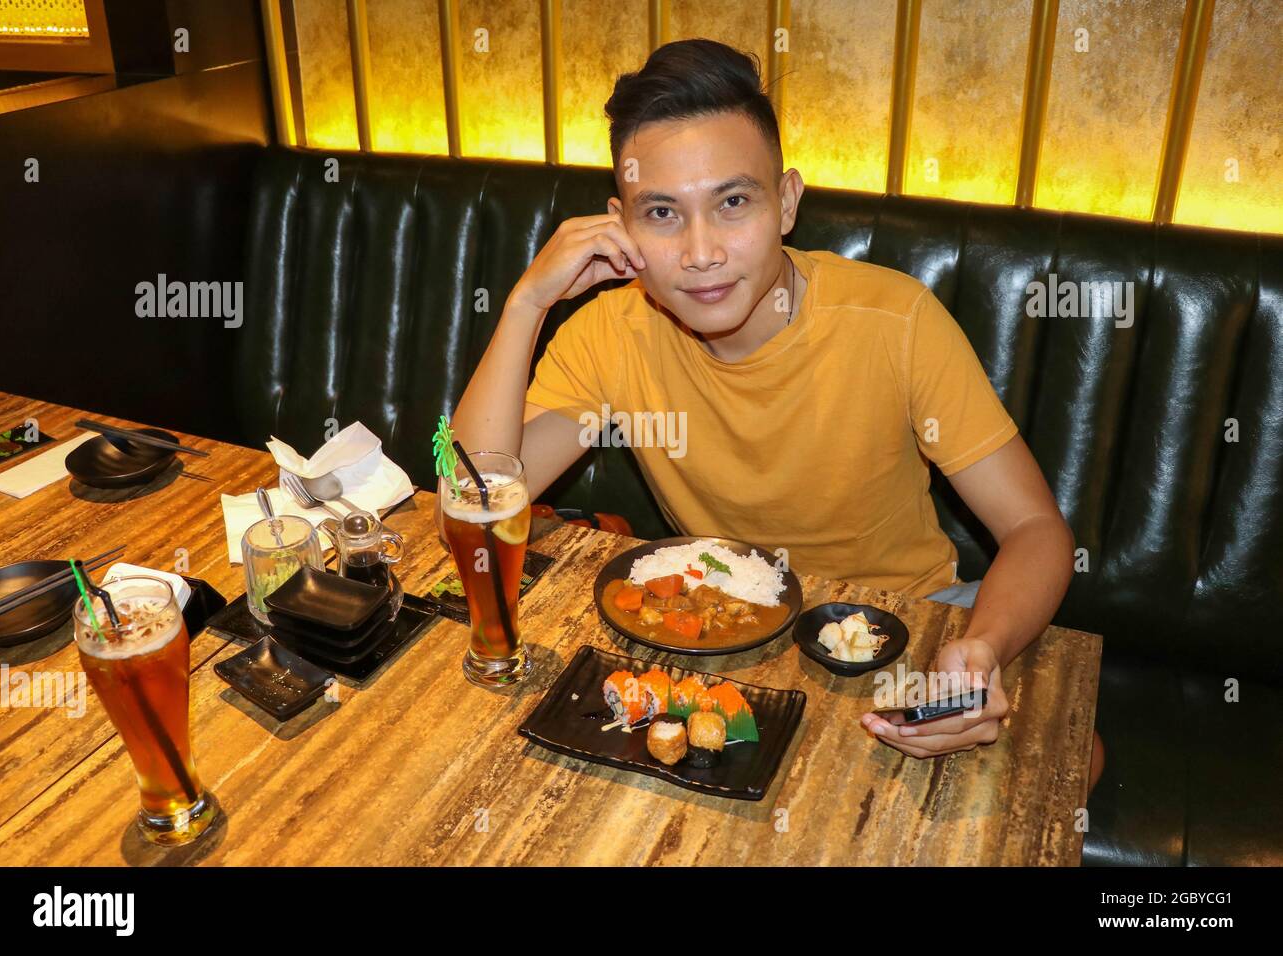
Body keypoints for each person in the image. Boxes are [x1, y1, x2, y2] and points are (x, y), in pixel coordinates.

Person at [450, 39, 1101, 786]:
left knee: (1067, 760)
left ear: (787, 201)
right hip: (723, 642)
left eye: (733, 202)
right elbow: (478, 497)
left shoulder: (896, 320)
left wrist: (981, 649)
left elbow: (1037, 530)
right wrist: (526, 304)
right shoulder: (609, 331)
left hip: (898, 628)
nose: (701, 253)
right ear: (619, 224)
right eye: (662, 213)